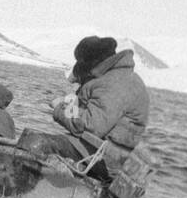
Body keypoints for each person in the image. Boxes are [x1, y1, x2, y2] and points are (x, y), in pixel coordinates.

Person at [49, 35, 148, 173]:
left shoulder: (114, 83)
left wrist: (61, 108)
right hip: (110, 156)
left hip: (104, 160)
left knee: (38, 143)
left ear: (93, 63)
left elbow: (92, 125)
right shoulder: (120, 76)